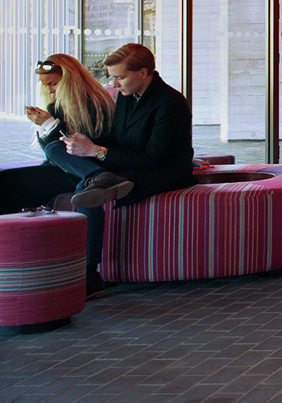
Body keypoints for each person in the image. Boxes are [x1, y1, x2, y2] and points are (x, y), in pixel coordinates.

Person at [44, 43, 195, 295]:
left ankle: (90, 275)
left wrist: (96, 151)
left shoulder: (170, 103)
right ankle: (97, 175)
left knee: (86, 190)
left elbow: (152, 159)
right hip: (124, 163)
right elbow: (118, 139)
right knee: (54, 147)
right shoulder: (127, 95)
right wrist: (86, 143)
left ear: (143, 73)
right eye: (112, 77)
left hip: (158, 172)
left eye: (120, 77)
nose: (114, 84)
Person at [2, 55, 118, 216]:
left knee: (6, 181)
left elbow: (70, 149)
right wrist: (44, 127)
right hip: (64, 170)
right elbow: (50, 152)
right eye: (45, 85)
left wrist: (50, 126)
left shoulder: (95, 105)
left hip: (83, 171)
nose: (50, 90)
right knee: (10, 192)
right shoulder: (56, 106)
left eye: (53, 83)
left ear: (70, 81)